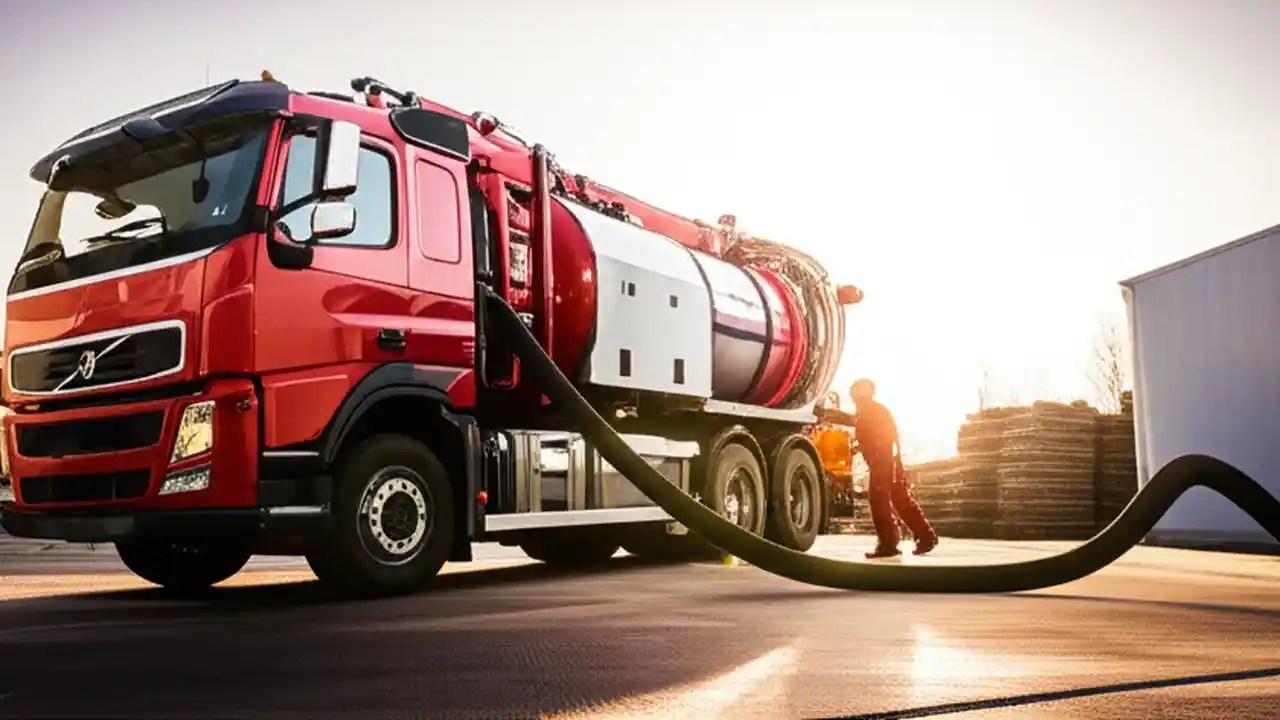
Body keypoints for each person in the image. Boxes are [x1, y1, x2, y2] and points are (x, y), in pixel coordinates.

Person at [822, 379, 938, 558]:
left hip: (884, 464)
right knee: (900, 500)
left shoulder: (872, 411)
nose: (852, 395)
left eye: (855, 391)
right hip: (888, 462)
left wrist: (882, 460)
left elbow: (882, 437)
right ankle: (925, 537)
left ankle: (888, 545)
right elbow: (862, 427)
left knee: (879, 503)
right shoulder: (868, 411)